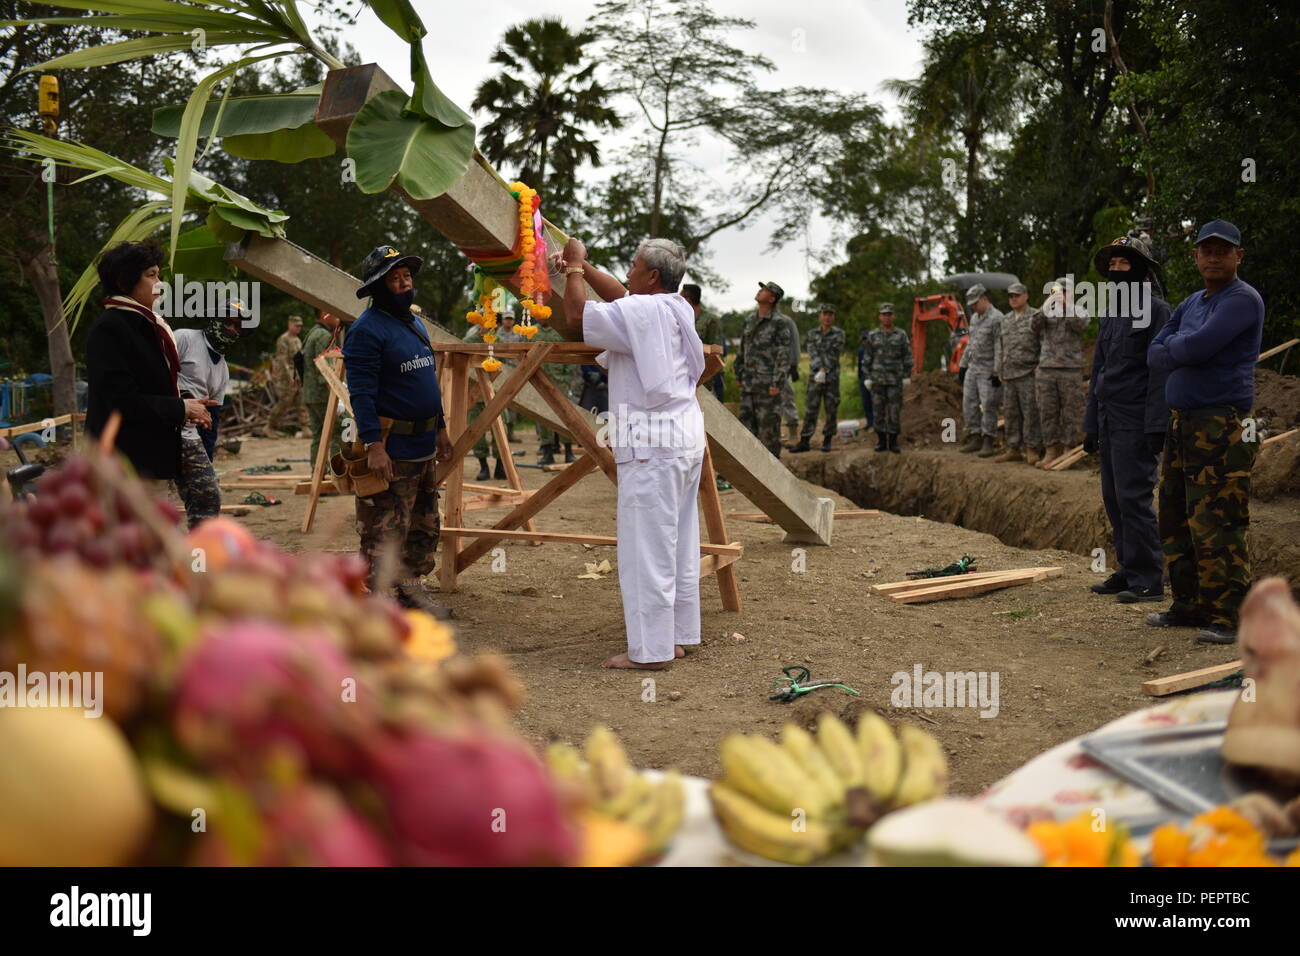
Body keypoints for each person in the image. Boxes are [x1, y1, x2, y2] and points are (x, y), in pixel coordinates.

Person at [557, 236, 706, 670]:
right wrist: (581, 264)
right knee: (676, 543)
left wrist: (574, 271)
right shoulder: (674, 306)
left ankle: (651, 652)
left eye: (635, 265)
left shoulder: (641, 311)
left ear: (652, 276)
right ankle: (676, 637)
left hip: (652, 446)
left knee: (647, 551)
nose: (627, 272)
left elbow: (576, 315)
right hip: (683, 438)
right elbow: (621, 293)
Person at [1146, 219, 1264, 645]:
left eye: (1223, 250)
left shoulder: (1242, 300)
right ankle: (1189, 603)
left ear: (1238, 257)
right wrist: (1178, 348)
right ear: (1195, 256)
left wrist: (1178, 347)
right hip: (1182, 424)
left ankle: (1230, 615)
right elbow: (1155, 352)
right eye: (1206, 250)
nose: (1214, 256)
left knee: (1218, 521)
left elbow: (1193, 348)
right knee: (1175, 516)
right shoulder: (1193, 301)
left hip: (1220, 426)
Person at [344, 244, 453, 610]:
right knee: (384, 529)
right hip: (392, 450)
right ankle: (373, 603)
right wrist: (374, 446)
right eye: (396, 278)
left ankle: (410, 590)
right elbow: (360, 393)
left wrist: (440, 427)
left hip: (423, 446)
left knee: (423, 525)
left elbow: (428, 382)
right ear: (377, 286)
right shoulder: (365, 331)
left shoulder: (414, 323)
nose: (405, 284)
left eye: (407, 276)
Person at [1084, 235, 1172, 606]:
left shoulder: (1157, 311)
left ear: (1141, 269)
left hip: (1135, 419)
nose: (1118, 270)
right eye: (1113, 265)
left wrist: (1156, 426)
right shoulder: (1111, 311)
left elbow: (1160, 375)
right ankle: (1128, 567)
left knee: (1134, 497)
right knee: (1113, 497)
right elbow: (1099, 367)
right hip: (1108, 416)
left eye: (1126, 263)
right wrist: (1090, 421)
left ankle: (1149, 578)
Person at [85, 240, 215, 485]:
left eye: (159, 275)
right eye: (151, 276)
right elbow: (122, 400)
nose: (159, 284)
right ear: (125, 282)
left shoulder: (147, 324)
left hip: (148, 456)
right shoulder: (111, 329)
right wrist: (181, 409)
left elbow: (155, 383)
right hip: (123, 460)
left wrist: (186, 401)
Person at [173, 305, 249, 527]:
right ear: (213, 319)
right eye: (228, 322)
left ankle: (201, 553)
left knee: (207, 495)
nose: (232, 329)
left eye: (237, 326)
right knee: (160, 505)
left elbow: (212, 420)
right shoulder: (185, 338)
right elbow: (156, 372)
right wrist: (182, 396)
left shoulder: (222, 370)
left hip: (189, 437)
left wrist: (207, 457)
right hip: (159, 428)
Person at [1033, 277, 1090, 468]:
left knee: (1071, 412)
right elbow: (1034, 326)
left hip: (1070, 369)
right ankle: (1050, 450)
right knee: (1047, 411)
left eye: (1065, 290)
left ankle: (1068, 449)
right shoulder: (1046, 309)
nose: (1061, 293)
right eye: (1058, 290)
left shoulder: (1079, 309)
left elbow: (1080, 325)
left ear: (1072, 292)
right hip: (1047, 369)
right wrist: (1046, 305)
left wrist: (1066, 306)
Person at [736, 281, 793, 457]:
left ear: (772, 298)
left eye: (765, 290)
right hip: (748, 385)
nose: (760, 291)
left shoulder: (780, 323)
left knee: (769, 432)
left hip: (768, 387)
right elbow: (742, 349)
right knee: (746, 430)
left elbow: (783, 355)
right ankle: (746, 473)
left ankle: (773, 477)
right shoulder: (749, 320)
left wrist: (777, 383)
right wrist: (738, 373)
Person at [994, 281, 1044, 464]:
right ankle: (1013, 448)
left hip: (1028, 372)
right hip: (1009, 373)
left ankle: (1032, 449)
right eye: (1010, 296)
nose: (1013, 299)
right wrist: (999, 368)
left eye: (1017, 295)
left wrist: (1040, 365)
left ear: (1026, 296)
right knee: (1010, 413)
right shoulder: (1005, 320)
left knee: (1031, 412)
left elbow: (1044, 342)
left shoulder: (1036, 316)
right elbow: (1001, 345)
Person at [791, 304, 845, 453]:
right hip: (815, 377)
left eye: (830, 314)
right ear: (820, 316)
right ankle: (805, 441)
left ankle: (827, 440)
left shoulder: (839, 334)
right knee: (811, 409)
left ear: (833, 317)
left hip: (832, 378)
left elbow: (834, 354)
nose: (827, 317)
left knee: (831, 409)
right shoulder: (812, 333)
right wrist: (819, 369)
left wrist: (824, 369)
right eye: (824, 314)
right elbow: (812, 353)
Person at [860, 303, 911, 453]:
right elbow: (867, 358)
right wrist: (867, 377)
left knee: (894, 412)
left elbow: (907, 356)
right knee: (878, 412)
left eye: (889, 314)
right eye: (884, 314)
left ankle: (893, 442)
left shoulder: (901, 335)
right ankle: (881, 441)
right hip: (877, 381)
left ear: (893, 316)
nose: (887, 317)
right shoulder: (873, 335)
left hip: (895, 380)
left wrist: (907, 376)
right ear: (880, 317)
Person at [960, 284, 1003, 457]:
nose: (972, 307)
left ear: (984, 299)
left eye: (975, 303)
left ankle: (988, 440)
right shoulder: (975, 318)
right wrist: (963, 364)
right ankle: (974, 436)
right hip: (973, 367)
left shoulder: (996, 318)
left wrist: (996, 372)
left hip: (988, 368)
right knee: (968, 403)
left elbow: (999, 346)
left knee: (988, 405)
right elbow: (971, 344)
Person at [301, 310, 346, 470]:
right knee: (339, 431)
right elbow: (326, 371)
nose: (338, 318)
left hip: (311, 394)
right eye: (335, 314)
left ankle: (318, 473)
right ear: (324, 315)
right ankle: (336, 473)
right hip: (323, 394)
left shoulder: (312, 333)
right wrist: (338, 398)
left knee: (319, 436)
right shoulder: (323, 336)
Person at [536, 323, 577, 466]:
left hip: (560, 382)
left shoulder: (560, 332)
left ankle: (568, 451)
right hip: (540, 382)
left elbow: (571, 356)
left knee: (565, 417)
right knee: (543, 417)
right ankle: (547, 452)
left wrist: (566, 379)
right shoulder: (532, 332)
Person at [683, 284, 725, 403]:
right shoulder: (683, 319)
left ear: (688, 300)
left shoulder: (710, 320)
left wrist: (706, 376)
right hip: (688, 377)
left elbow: (717, 351)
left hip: (708, 378)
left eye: (681, 297)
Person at [267, 315, 304, 433]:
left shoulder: (297, 340)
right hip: (286, 378)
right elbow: (282, 360)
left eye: (300, 326)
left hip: (297, 376)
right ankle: (269, 426)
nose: (298, 328)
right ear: (290, 325)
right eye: (296, 325)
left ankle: (305, 427)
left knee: (301, 401)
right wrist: (290, 377)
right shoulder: (284, 339)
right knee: (284, 402)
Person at [778, 309, 801, 447]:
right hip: (763, 370)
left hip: (783, 368)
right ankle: (775, 434)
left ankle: (793, 433)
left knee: (787, 399)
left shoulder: (786, 321)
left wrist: (794, 365)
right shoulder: (755, 321)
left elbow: (794, 342)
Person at [856, 329, 874, 431]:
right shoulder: (861, 351)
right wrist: (860, 377)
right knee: (866, 401)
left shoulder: (875, 350)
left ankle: (875, 423)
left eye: (866, 339)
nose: (865, 341)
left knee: (874, 401)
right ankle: (869, 422)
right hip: (864, 378)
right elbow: (860, 365)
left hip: (874, 378)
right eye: (863, 340)